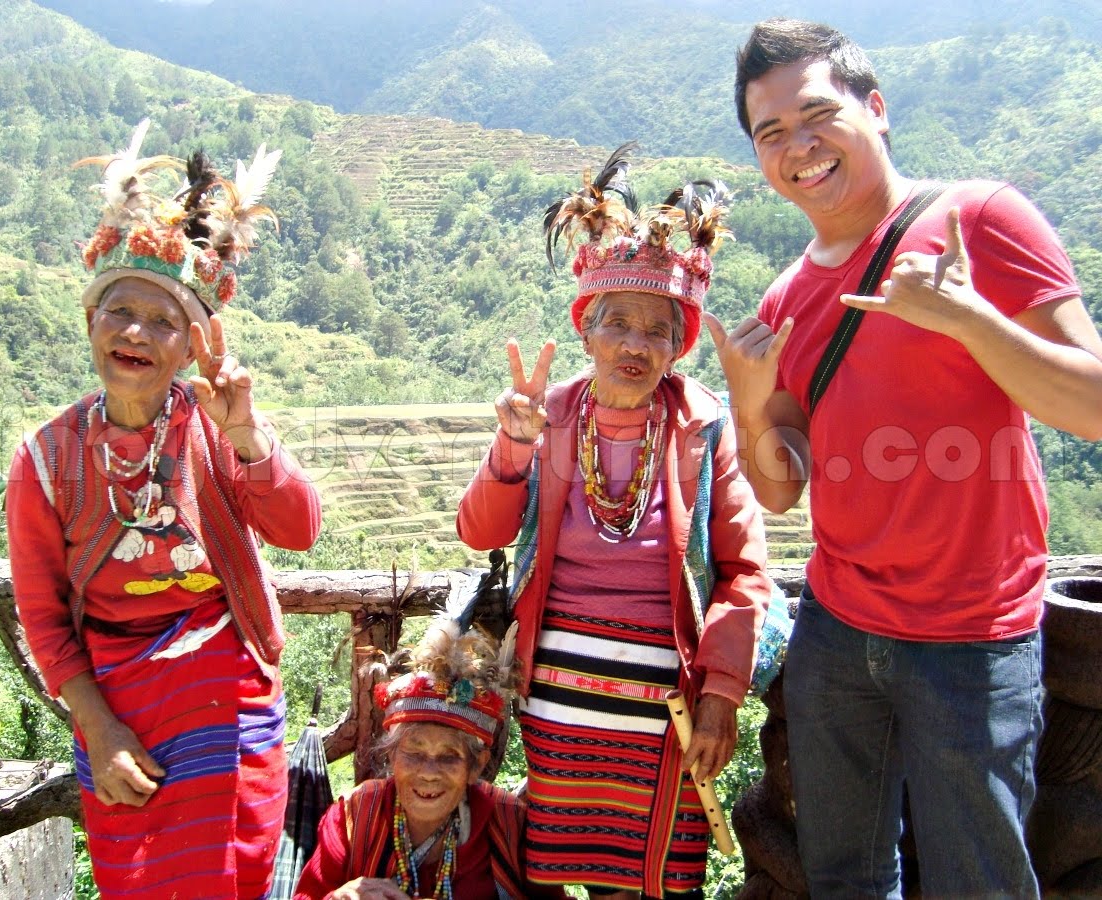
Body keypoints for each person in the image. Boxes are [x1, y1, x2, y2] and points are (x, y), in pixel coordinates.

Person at [707, 18, 1102, 898]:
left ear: (875, 108)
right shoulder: (788, 294)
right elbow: (779, 490)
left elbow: (1095, 405)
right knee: (844, 876)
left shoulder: (980, 219)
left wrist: (971, 320)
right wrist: (746, 394)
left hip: (973, 639)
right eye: (771, 133)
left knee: (981, 880)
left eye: (817, 115)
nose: (797, 147)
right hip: (838, 631)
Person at [6, 121, 322, 899]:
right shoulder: (45, 460)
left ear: (190, 345)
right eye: (119, 310)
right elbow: (45, 620)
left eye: (164, 320)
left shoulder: (215, 428)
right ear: (91, 322)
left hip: (229, 706)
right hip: (120, 713)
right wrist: (101, 730)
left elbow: (299, 530)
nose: (137, 332)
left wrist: (245, 432)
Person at [456, 145, 772, 899]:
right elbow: (480, 533)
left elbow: (744, 570)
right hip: (561, 713)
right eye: (618, 323)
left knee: (661, 884)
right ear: (587, 332)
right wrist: (513, 446)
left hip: (667, 712)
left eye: (656, 329)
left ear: (678, 344)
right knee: (576, 878)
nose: (635, 344)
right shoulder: (549, 416)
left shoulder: (703, 428)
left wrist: (723, 691)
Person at [293, 619, 568, 900]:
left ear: (477, 766)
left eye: (449, 756)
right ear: (391, 754)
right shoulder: (353, 817)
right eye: (414, 752)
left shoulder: (509, 823)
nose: (428, 772)